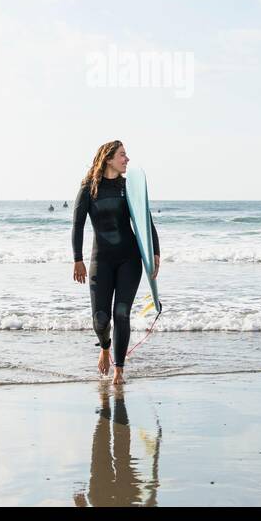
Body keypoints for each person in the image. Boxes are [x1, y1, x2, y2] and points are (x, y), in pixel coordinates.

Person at [71, 140, 160, 386]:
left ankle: (119, 370)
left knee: (121, 313)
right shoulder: (89, 188)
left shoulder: (129, 187)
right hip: (101, 260)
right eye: (122, 155)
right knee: (100, 318)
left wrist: (155, 252)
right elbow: (77, 225)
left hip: (129, 259)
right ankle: (105, 347)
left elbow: (145, 221)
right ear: (108, 158)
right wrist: (77, 259)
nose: (127, 159)